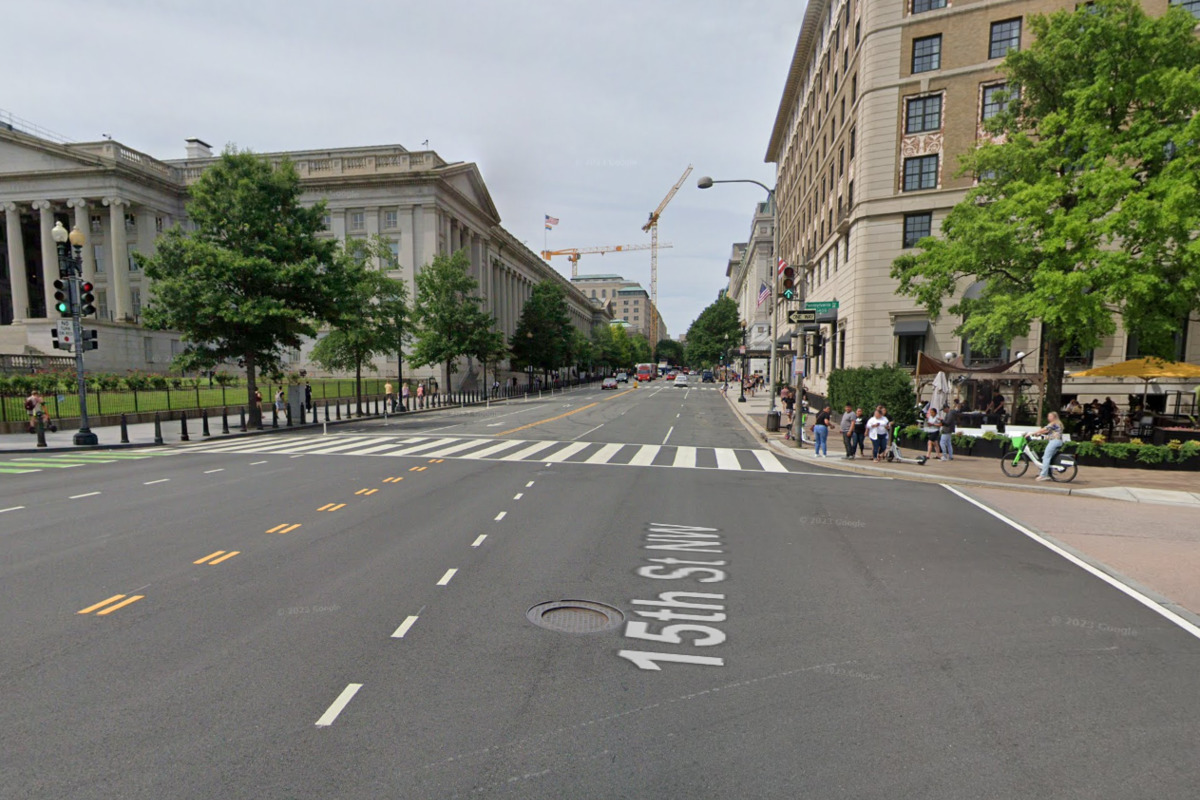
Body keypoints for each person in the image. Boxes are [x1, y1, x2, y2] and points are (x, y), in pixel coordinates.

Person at [1032, 411, 1065, 482]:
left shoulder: (1054, 423)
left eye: (1050, 416)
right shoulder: (1057, 423)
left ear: (1054, 417)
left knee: (1046, 457)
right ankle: (1047, 473)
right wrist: (1038, 433)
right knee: (1046, 457)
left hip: (1054, 442)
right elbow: (1047, 431)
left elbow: (1045, 429)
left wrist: (1033, 432)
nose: (1048, 418)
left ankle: (1044, 475)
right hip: (1057, 442)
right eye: (1048, 416)